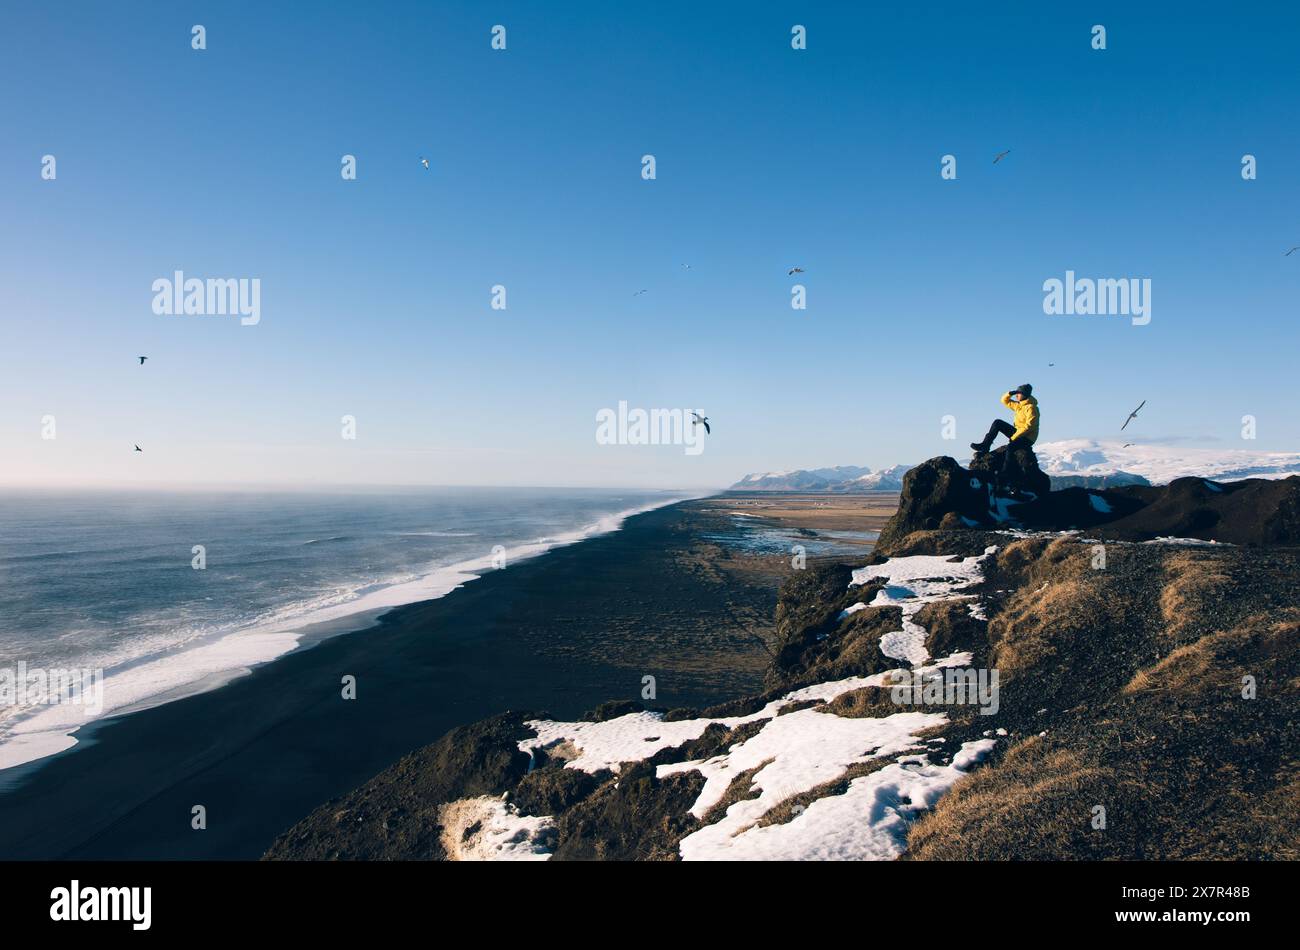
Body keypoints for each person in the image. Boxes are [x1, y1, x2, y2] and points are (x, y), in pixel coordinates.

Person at [970, 384, 1040, 479]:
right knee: (997, 422)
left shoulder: (1031, 408)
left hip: (1027, 437)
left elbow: (1029, 427)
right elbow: (1004, 400)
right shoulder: (1019, 405)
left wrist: (1014, 437)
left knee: (1011, 447)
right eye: (1016, 393)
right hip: (1018, 433)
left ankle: (1006, 472)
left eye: (1018, 393)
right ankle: (985, 446)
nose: (1016, 396)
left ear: (1024, 394)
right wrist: (1010, 393)